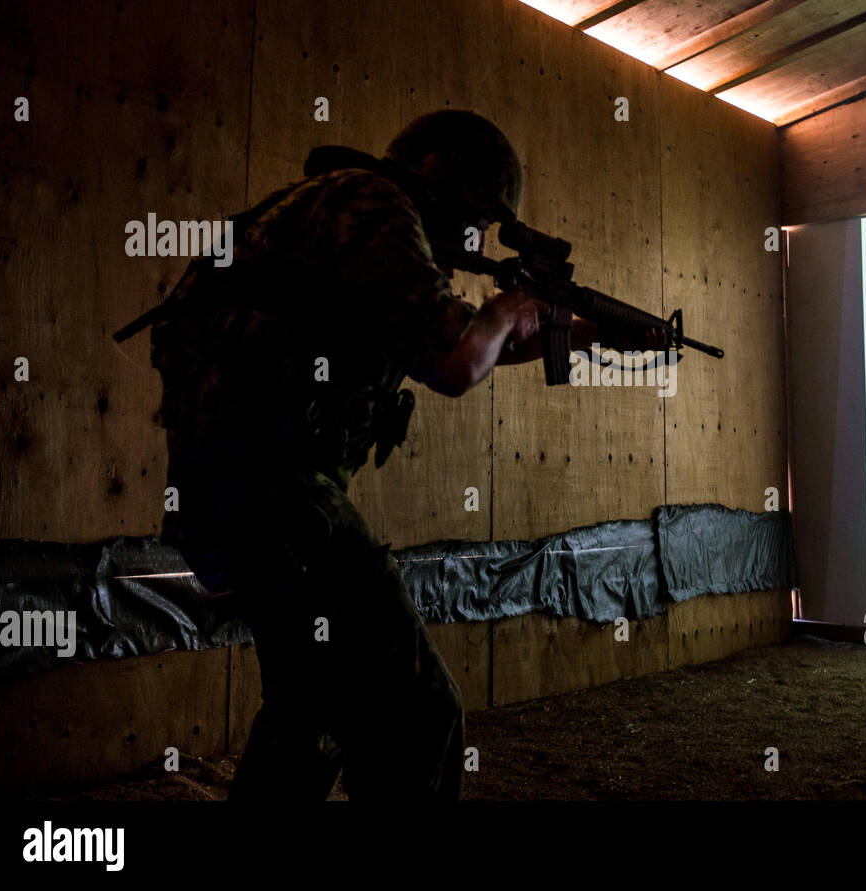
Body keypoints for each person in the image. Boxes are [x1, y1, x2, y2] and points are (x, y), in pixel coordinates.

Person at [145, 110, 647, 800]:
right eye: (479, 218)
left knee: (311, 708)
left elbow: (461, 343)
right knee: (418, 710)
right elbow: (456, 363)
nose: (476, 239)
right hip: (277, 491)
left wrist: (589, 333)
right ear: (453, 191)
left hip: (229, 495)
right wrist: (508, 308)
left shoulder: (345, 208)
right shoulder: (375, 204)